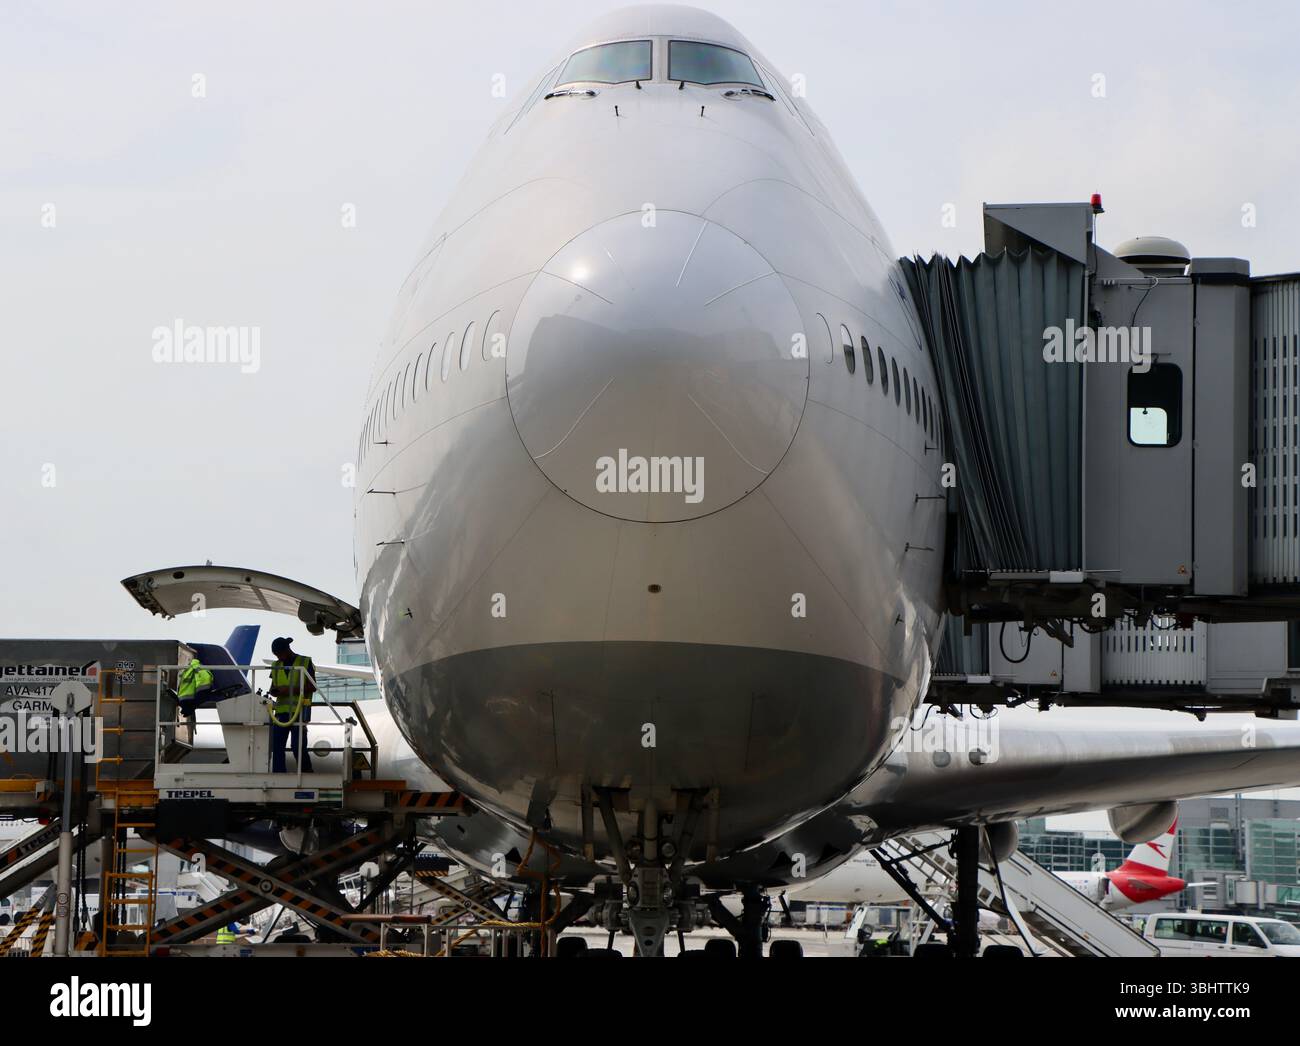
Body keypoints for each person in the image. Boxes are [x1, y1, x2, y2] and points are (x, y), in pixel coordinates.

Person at [268, 637, 316, 774]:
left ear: (287, 650)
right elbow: (272, 688)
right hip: (281, 712)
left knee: (298, 746)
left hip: (300, 711)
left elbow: (312, 686)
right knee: (277, 746)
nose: (279, 658)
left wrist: (288, 689)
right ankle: (279, 774)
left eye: (279, 654)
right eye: (276, 655)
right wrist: (275, 691)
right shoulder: (276, 665)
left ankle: (306, 771)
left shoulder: (305, 661)